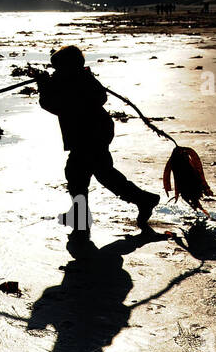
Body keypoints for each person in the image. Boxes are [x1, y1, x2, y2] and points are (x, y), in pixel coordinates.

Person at [36, 45, 160, 231]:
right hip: (93, 132)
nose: (55, 72)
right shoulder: (76, 79)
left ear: (69, 66)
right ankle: (84, 213)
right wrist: (48, 85)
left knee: (84, 173)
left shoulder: (79, 80)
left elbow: (56, 105)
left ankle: (140, 200)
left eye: (58, 68)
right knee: (91, 173)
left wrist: (44, 88)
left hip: (90, 133)